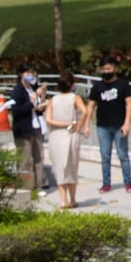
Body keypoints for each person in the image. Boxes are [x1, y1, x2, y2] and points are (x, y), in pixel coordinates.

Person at [86, 56, 131, 193]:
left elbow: (130, 104)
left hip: (119, 126)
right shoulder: (97, 87)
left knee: (123, 155)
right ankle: (106, 183)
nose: (106, 71)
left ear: (115, 69)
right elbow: (90, 106)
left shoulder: (124, 85)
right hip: (103, 126)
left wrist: (126, 124)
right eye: (103, 69)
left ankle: (128, 182)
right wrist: (86, 124)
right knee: (105, 156)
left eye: (109, 68)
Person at [45, 71, 90, 210]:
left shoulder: (53, 100)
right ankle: (72, 199)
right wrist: (78, 126)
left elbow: (48, 119)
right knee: (72, 166)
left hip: (56, 135)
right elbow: (85, 111)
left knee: (59, 167)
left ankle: (63, 200)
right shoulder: (75, 97)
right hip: (71, 133)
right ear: (72, 85)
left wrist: (62, 124)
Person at [9, 62, 49, 191]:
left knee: (39, 158)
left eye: (32, 73)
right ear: (21, 74)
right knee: (25, 160)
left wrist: (42, 99)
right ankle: (25, 188)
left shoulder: (32, 88)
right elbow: (17, 112)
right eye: (28, 73)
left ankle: (38, 187)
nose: (31, 75)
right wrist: (33, 100)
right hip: (23, 130)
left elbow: (37, 110)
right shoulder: (17, 91)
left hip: (36, 127)